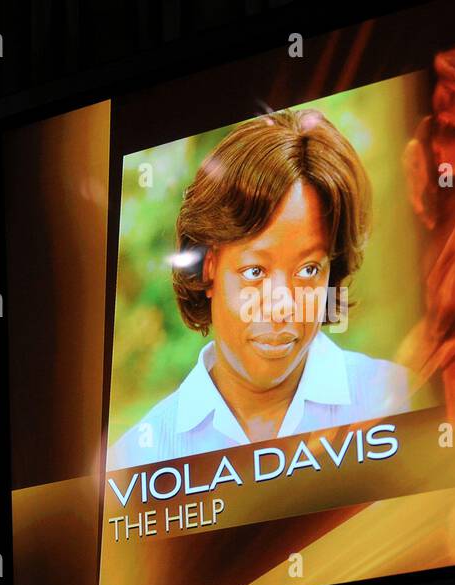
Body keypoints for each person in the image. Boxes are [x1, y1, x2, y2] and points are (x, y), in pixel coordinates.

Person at [108, 109, 414, 472]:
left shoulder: (398, 400)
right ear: (208, 267)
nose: (283, 305)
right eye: (255, 271)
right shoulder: (138, 460)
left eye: (308, 270)